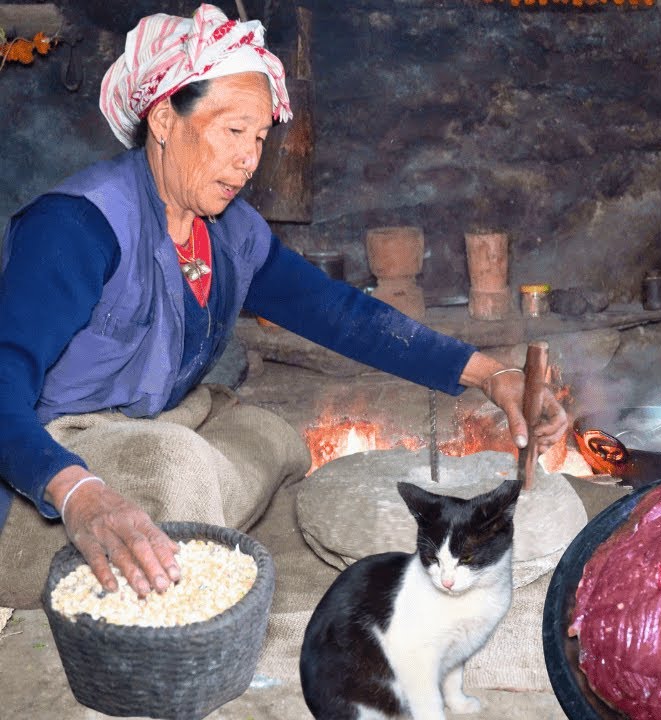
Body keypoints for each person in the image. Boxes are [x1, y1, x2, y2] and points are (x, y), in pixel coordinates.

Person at [0, 5, 567, 609]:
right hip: (50, 463)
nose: (250, 159)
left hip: (155, 430)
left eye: (261, 139)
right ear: (164, 117)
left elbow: (342, 314)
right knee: (176, 464)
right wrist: (78, 492)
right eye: (233, 131)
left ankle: (196, 529)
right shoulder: (78, 225)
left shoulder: (230, 231)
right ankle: (167, 537)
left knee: (268, 434)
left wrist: (489, 374)